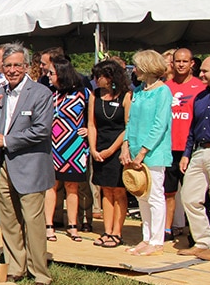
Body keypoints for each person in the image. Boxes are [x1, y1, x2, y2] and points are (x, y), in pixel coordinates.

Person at [0, 43, 55, 285]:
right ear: (1, 67)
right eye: (8, 65)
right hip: (4, 165)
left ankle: (40, 273)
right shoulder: (0, 94)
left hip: (31, 166)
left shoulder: (40, 93)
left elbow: (41, 130)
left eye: (17, 65)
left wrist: (6, 140)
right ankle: (16, 267)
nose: (13, 70)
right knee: (9, 220)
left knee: (33, 221)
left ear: (26, 66)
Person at [120, 50, 173, 256]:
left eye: (138, 66)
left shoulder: (163, 91)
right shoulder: (140, 91)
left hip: (153, 152)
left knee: (155, 195)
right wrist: (126, 145)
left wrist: (143, 151)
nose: (135, 70)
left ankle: (157, 241)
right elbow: (131, 121)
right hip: (134, 150)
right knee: (141, 194)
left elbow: (160, 125)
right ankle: (146, 237)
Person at [178, 55, 210, 261]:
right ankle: (203, 241)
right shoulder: (201, 97)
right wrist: (187, 153)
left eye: (206, 71)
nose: (201, 74)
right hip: (199, 150)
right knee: (189, 197)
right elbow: (193, 128)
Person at [42, 54, 91, 243]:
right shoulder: (49, 94)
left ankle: (73, 225)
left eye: (52, 73)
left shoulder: (84, 93)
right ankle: (49, 225)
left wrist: (88, 129)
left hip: (75, 145)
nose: (49, 76)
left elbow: (92, 117)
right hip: (52, 144)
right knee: (51, 185)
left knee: (72, 186)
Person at [87, 60, 132, 248]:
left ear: (111, 77)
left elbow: (128, 126)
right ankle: (107, 230)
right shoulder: (95, 95)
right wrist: (93, 148)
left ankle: (117, 232)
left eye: (100, 77)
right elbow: (91, 124)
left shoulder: (126, 95)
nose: (96, 80)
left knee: (118, 190)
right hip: (99, 146)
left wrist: (111, 150)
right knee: (105, 190)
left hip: (118, 147)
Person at [164, 47, 205, 241]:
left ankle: (196, 235)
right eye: (177, 61)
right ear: (172, 63)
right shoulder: (166, 87)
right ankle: (167, 230)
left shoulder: (201, 87)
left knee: (193, 195)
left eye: (184, 61)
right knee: (168, 191)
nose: (181, 65)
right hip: (169, 147)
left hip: (191, 148)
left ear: (192, 64)